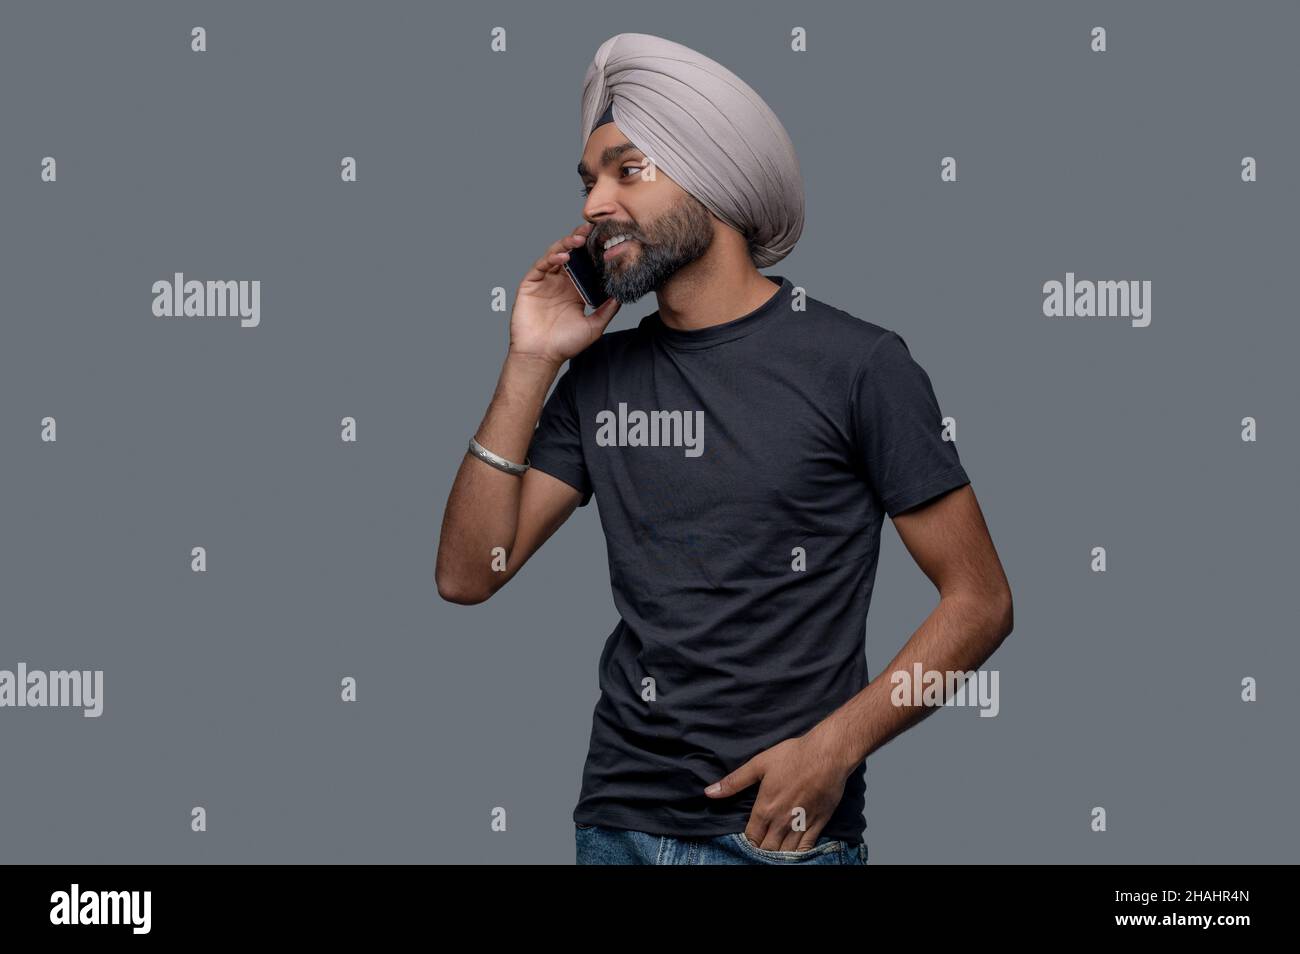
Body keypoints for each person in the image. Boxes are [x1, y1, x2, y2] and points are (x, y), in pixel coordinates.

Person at [436, 32, 1014, 865]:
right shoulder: (602, 376)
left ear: (709, 176)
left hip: (781, 837)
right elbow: (467, 575)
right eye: (589, 180)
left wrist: (834, 749)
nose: (595, 203)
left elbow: (981, 599)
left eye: (626, 170)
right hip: (615, 827)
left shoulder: (859, 365)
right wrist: (531, 357)